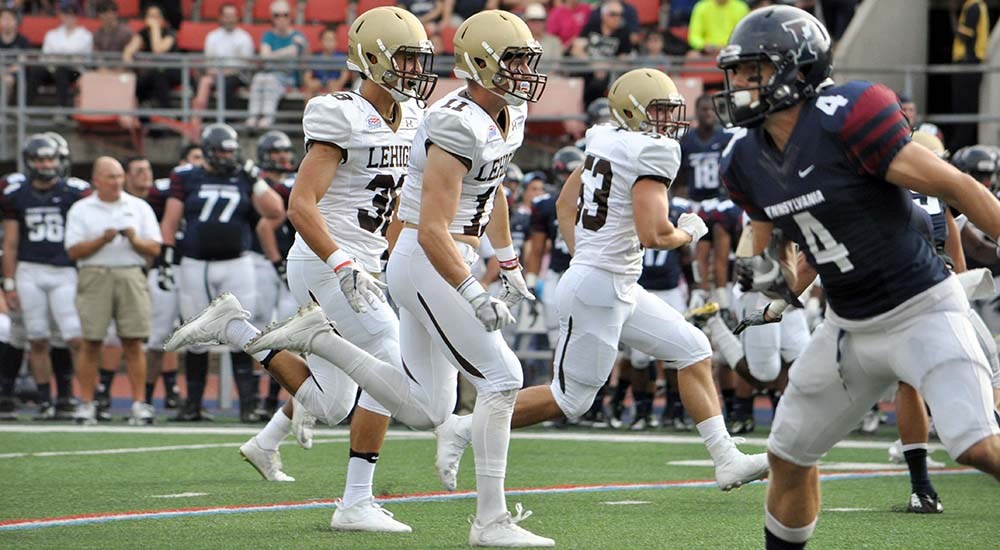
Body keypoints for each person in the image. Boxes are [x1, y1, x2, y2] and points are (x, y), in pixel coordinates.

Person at [246, 10, 555, 546]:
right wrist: (465, 287)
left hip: (401, 257)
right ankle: (487, 520)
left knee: (424, 407)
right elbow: (417, 223)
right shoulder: (433, 119)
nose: (525, 73)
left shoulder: (472, 114)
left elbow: (490, 186)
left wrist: (506, 260)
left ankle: (313, 348)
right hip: (382, 258)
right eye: (514, 61)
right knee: (501, 376)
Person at [713, 6, 1000, 548]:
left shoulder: (847, 116)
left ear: (798, 70)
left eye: (754, 71)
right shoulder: (743, 158)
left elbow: (957, 186)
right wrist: (763, 270)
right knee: (788, 456)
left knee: (977, 446)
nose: (741, 84)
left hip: (922, 309)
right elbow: (768, 237)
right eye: (739, 72)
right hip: (846, 327)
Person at [163, 7, 436, 532]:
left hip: (361, 262)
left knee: (330, 405)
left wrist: (391, 259)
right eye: (404, 58)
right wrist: (343, 262)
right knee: (392, 364)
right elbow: (300, 205)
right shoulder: (343, 114)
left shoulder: (413, 115)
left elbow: (399, 203)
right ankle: (355, 502)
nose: (414, 69)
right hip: (326, 260)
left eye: (417, 59)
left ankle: (236, 329)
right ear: (371, 59)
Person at [435, 67, 767, 488]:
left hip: (611, 283)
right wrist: (689, 232)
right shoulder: (651, 151)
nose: (668, 121)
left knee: (693, 348)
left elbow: (564, 204)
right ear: (632, 111)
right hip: (600, 287)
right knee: (570, 399)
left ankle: (726, 458)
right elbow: (655, 234)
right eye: (658, 111)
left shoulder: (604, 139)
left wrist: (587, 257)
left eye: (670, 110)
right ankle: (463, 428)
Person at [159, 123, 283, 422]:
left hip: (237, 264)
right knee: (195, 333)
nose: (228, 156)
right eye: (222, 151)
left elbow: (276, 210)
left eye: (231, 151)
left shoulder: (244, 176)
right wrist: (166, 256)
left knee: (243, 331)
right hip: (195, 264)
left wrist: (256, 181)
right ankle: (193, 404)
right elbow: (171, 219)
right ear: (208, 151)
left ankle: (248, 405)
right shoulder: (186, 176)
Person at [64, 157, 161, 426]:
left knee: (133, 341)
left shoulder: (138, 206)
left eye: (119, 176)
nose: (117, 182)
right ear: (96, 180)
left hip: (131, 272)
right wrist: (102, 239)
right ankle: (86, 403)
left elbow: (155, 247)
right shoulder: (82, 209)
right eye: (110, 177)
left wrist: (133, 238)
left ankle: (138, 403)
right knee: (91, 341)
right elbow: (73, 250)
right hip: (94, 274)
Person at [1, 135, 89, 421]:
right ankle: (45, 400)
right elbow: (11, 243)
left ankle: (74, 396)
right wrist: (9, 282)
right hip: (30, 269)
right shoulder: (17, 193)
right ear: (29, 162)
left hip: (65, 270)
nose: (45, 164)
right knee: (36, 337)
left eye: (50, 158)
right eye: (39, 159)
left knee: (73, 336)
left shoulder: (73, 192)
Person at [679, 95, 737, 314]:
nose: (709, 113)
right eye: (704, 109)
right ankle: (700, 296)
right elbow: (679, 178)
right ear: (697, 111)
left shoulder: (726, 138)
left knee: (724, 251)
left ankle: (724, 300)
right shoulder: (687, 141)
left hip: (721, 202)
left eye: (712, 109)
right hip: (696, 203)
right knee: (697, 253)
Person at [246, 1, 307, 130]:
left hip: (288, 77)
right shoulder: (268, 35)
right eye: (277, 15)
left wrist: (273, 56)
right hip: (270, 73)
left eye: (285, 15)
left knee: (270, 80)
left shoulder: (298, 36)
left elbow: (303, 56)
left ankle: (268, 116)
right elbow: (264, 57)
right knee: (258, 78)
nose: (281, 19)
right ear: (272, 18)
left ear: (290, 16)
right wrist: (287, 52)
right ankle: (253, 116)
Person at [28, 2, 92, 117]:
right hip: (52, 68)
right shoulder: (51, 34)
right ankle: (25, 107)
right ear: (61, 15)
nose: (68, 17)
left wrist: (61, 58)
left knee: (62, 69)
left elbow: (84, 59)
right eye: (65, 14)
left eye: (72, 14)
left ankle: (61, 111)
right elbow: (45, 57)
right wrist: (67, 57)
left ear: (76, 16)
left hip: (75, 72)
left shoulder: (86, 35)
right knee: (37, 70)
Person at [192, 3, 254, 122]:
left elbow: (245, 64)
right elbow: (208, 61)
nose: (230, 20)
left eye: (232, 16)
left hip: (238, 76)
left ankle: (228, 122)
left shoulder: (244, 37)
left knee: (226, 83)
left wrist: (224, 72)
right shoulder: (212, 36)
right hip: (216, 74)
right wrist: (215, 71)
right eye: (227, 16)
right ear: (221, 18)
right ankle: (197, 122)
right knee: (202, 81)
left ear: (237, 18)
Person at [571, 1, 634, 105]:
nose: (617, 18)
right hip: (587, 70)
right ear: (604, 15)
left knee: (602, 83)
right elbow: (576, 50)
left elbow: (624, 59)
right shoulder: (592, 27)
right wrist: (594, 64)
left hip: (609, 75)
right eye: (613, 14)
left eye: (620, 15)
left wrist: (606, 66)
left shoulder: (623, 32)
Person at [123, 4, 179, 111]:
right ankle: (139, 111)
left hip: (172, 70)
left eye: (156, 16)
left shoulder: (170, 33)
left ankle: (167, 112)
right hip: (151, 72)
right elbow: (129, 49)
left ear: (163, 19)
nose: (153, 19)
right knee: (139, 79)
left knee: (159, 76)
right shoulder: (143, 33)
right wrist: (128, 59)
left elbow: (158, 50)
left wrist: (155, 28)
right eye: (150, 16)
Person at [950, 0, 988, 149]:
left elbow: (963, 36)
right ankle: (962, 144)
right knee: (965, 107)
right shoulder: (974, 5)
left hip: (968, 64)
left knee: (964, 107)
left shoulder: (973, 7)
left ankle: (961, 145)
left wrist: (952, 13)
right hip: (968, 64)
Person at [302, 26, 351, 100]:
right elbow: (307, 74)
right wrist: (310, 82)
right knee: (309, 91)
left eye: (331, 40)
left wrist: (338, 83)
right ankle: (308, 107)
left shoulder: (341, 57)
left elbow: (344, 74)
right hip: (318, 83)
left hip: (333, 84)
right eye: (326, 40)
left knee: (334, 90)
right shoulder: (315, 57)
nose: (329, 43)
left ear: (336, 42)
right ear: (320, 42)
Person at [1, 8, 28, 106]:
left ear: (16, 21)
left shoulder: (23, 41)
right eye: (4, 18)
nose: (7, 22)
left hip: (15, 74)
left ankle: (3, 110)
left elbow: (21, 63)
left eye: (10, 19)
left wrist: (4, 72)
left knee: (8, 80)